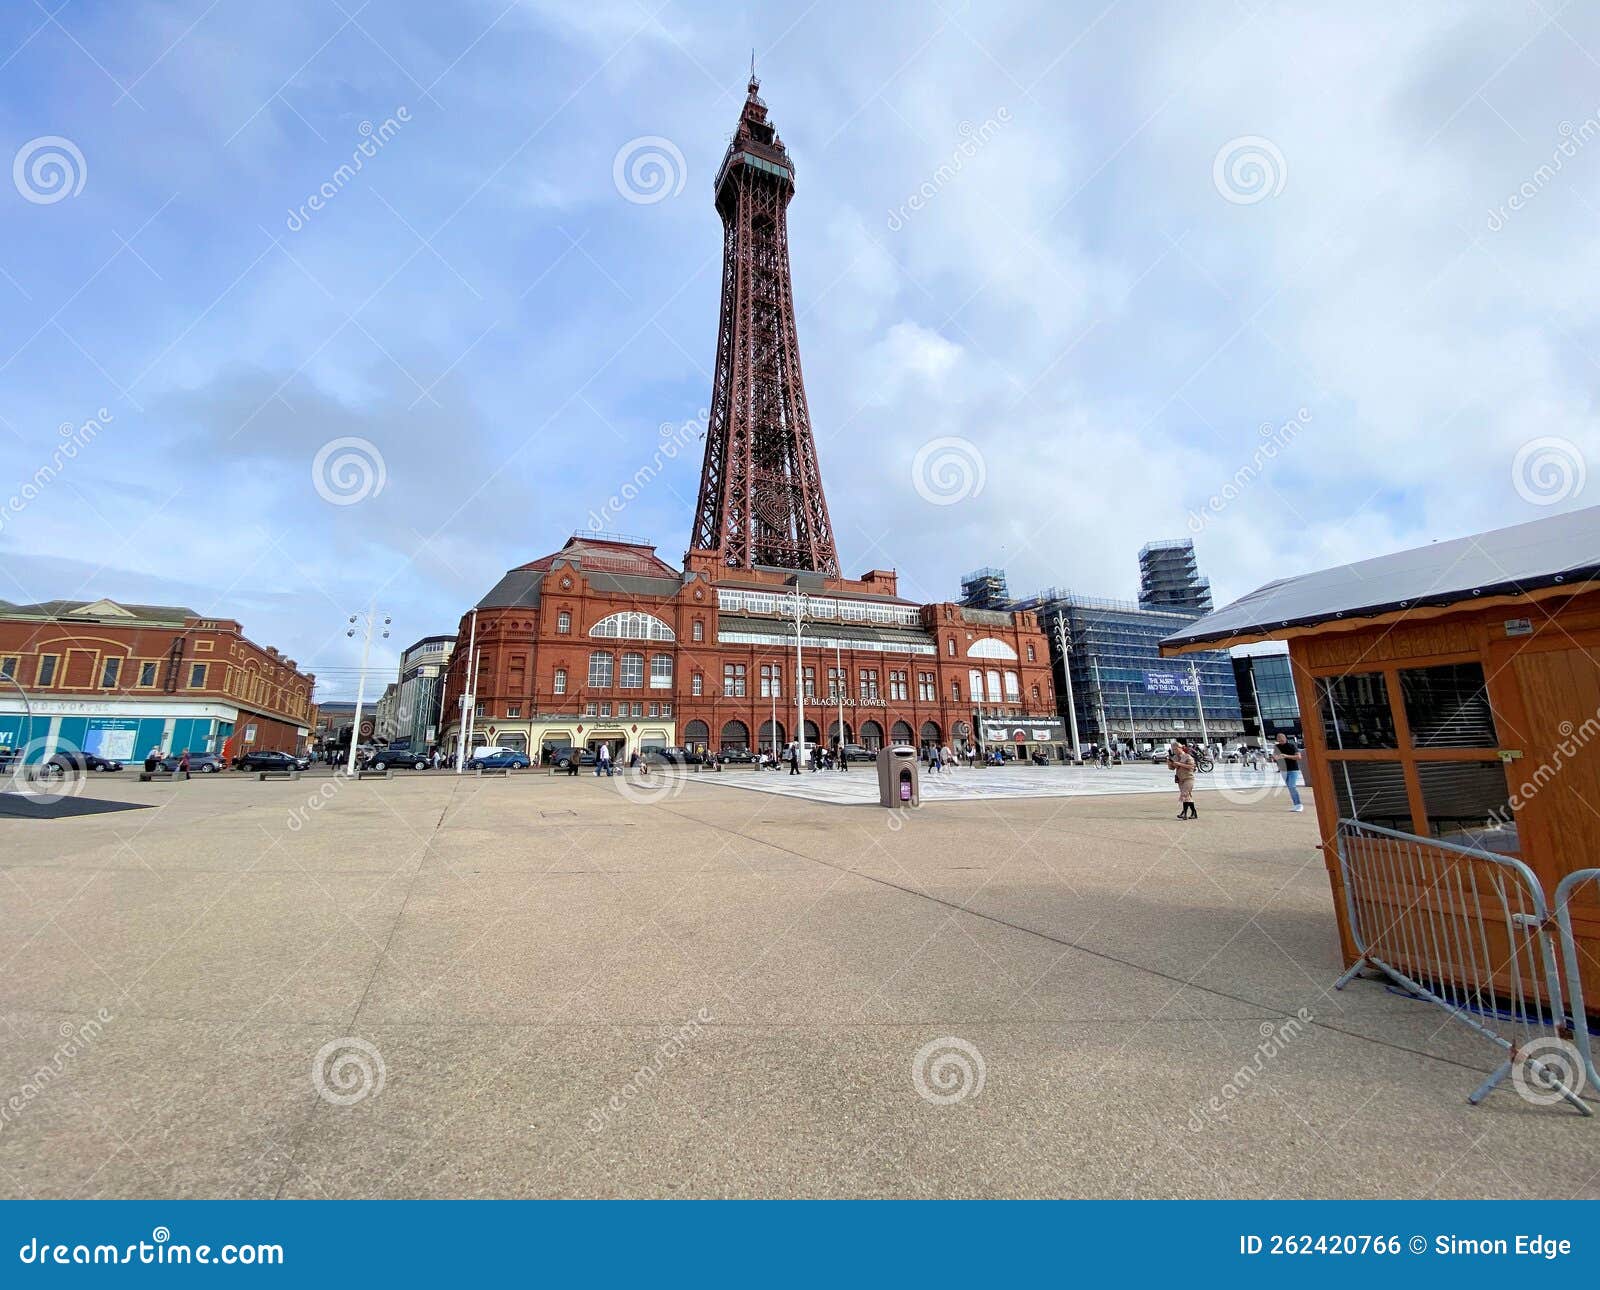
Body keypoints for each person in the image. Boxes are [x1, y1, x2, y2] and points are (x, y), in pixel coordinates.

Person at [1168, 740, 1197, 819]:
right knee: (1187, 796)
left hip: (1188, 778)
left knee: (1185, 794)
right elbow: (1172, 768)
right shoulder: (1175, 757)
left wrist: (1180, 764)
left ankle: (1184, 813)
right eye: (1173, 749)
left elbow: (1192, 767)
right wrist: (1169, 763)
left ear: (1180, 748)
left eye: (1176, 749)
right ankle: (1194, 813)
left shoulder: (1187, 756)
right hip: (1180, 779)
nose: (1174, 751)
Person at [1275, 732, 1303, 812]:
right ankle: (1296, 805)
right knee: (1290, 788)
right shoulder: (1276, 747)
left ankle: (1299, 805)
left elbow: (1299, 757)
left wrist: (1286, 756)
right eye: (1279, 740)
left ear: (1285, 738)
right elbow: (1274, 757)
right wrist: (1276, 758)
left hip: (1293, 769)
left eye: (1282, 740)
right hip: (1283, 770)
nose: (1280, 742)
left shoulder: (1292, 746)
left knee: (1292, 786)